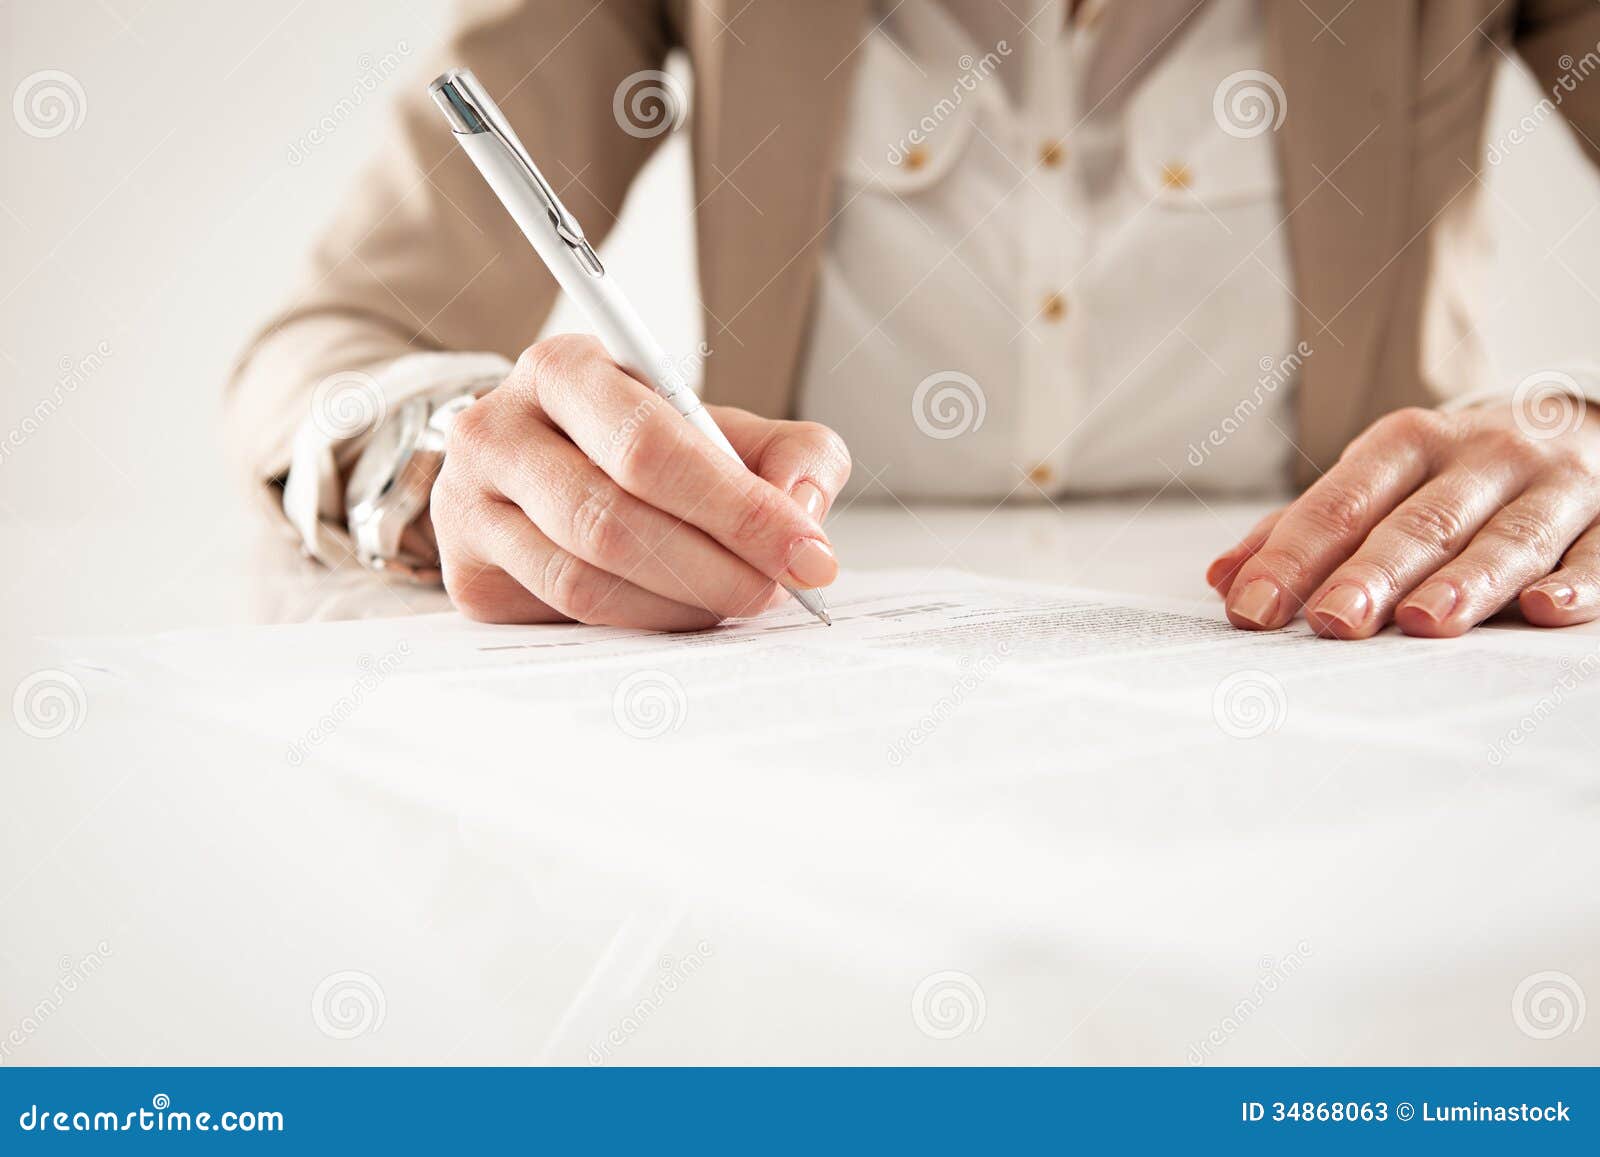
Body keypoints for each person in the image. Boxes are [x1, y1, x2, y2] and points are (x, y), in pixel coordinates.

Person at [226, 0, 1600, 638]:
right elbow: (329, 341)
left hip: (1354, 682)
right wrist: (460, 461)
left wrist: (1578, 425)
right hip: (797, 721)